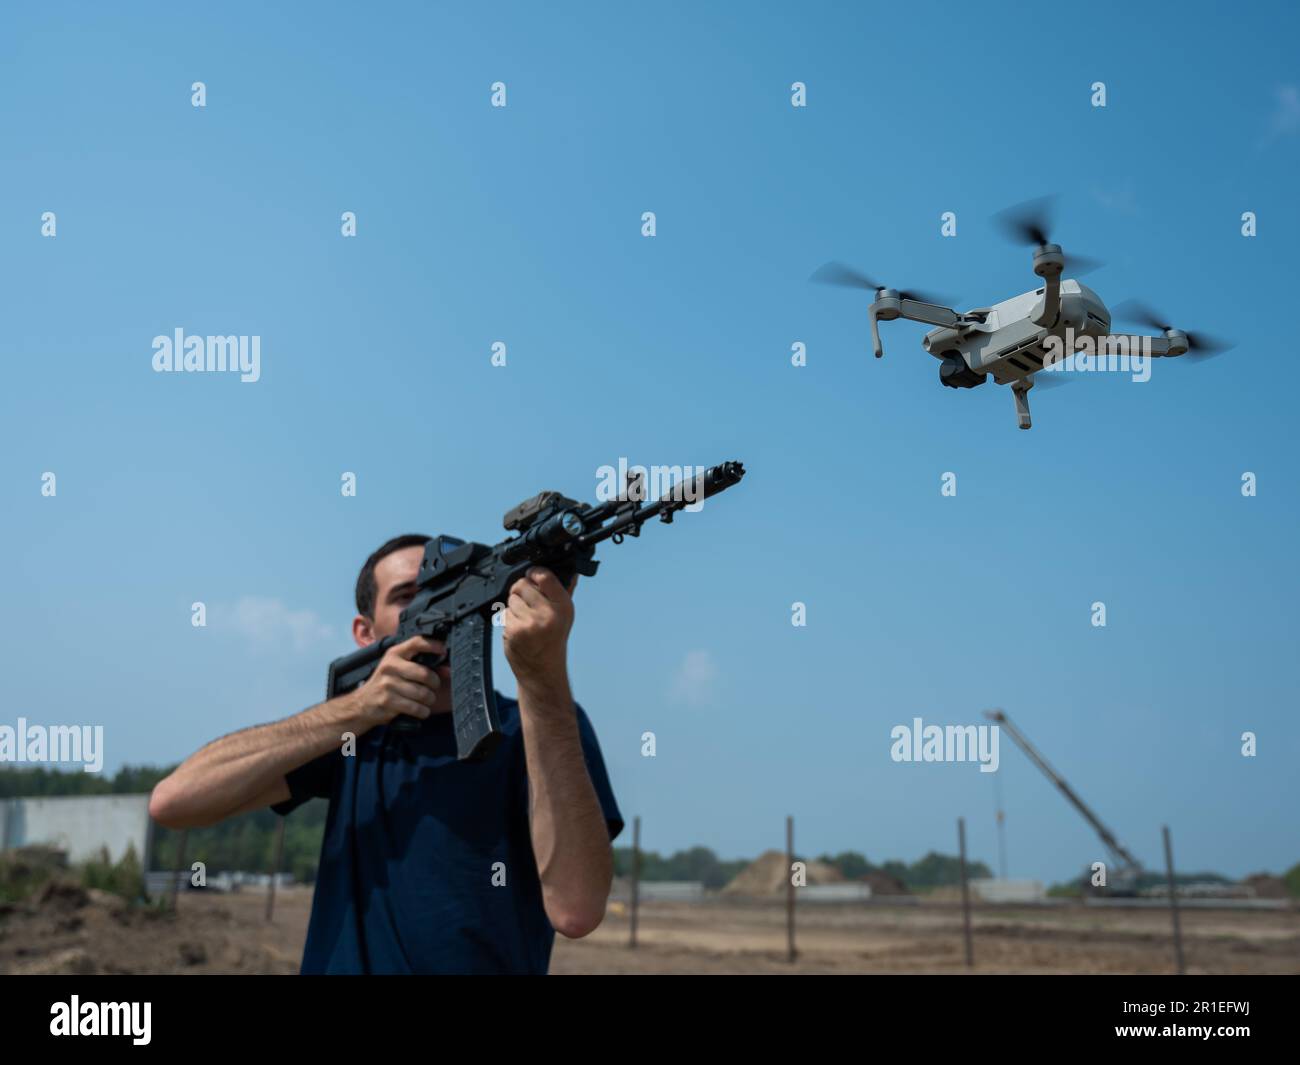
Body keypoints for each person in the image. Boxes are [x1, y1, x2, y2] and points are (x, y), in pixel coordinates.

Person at [149, 533, 623, 974]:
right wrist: (356, 710)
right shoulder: (354, 735)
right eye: (404, 596)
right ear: (365, 631)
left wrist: (543, 682)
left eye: (447, 589)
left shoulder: (539, 724)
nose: (433, 608)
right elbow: (175, 801)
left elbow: (576, 909)